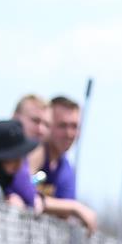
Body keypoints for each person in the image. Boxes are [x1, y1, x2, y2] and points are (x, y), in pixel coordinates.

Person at [33, 95, 97, 232]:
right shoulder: (34, 152)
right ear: (48, 125)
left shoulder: (66, 170)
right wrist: (75, 207)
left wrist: (68, 208)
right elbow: (24, 192)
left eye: (74, 126)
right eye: (62, 126)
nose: (69, 133)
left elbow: (63, 214)